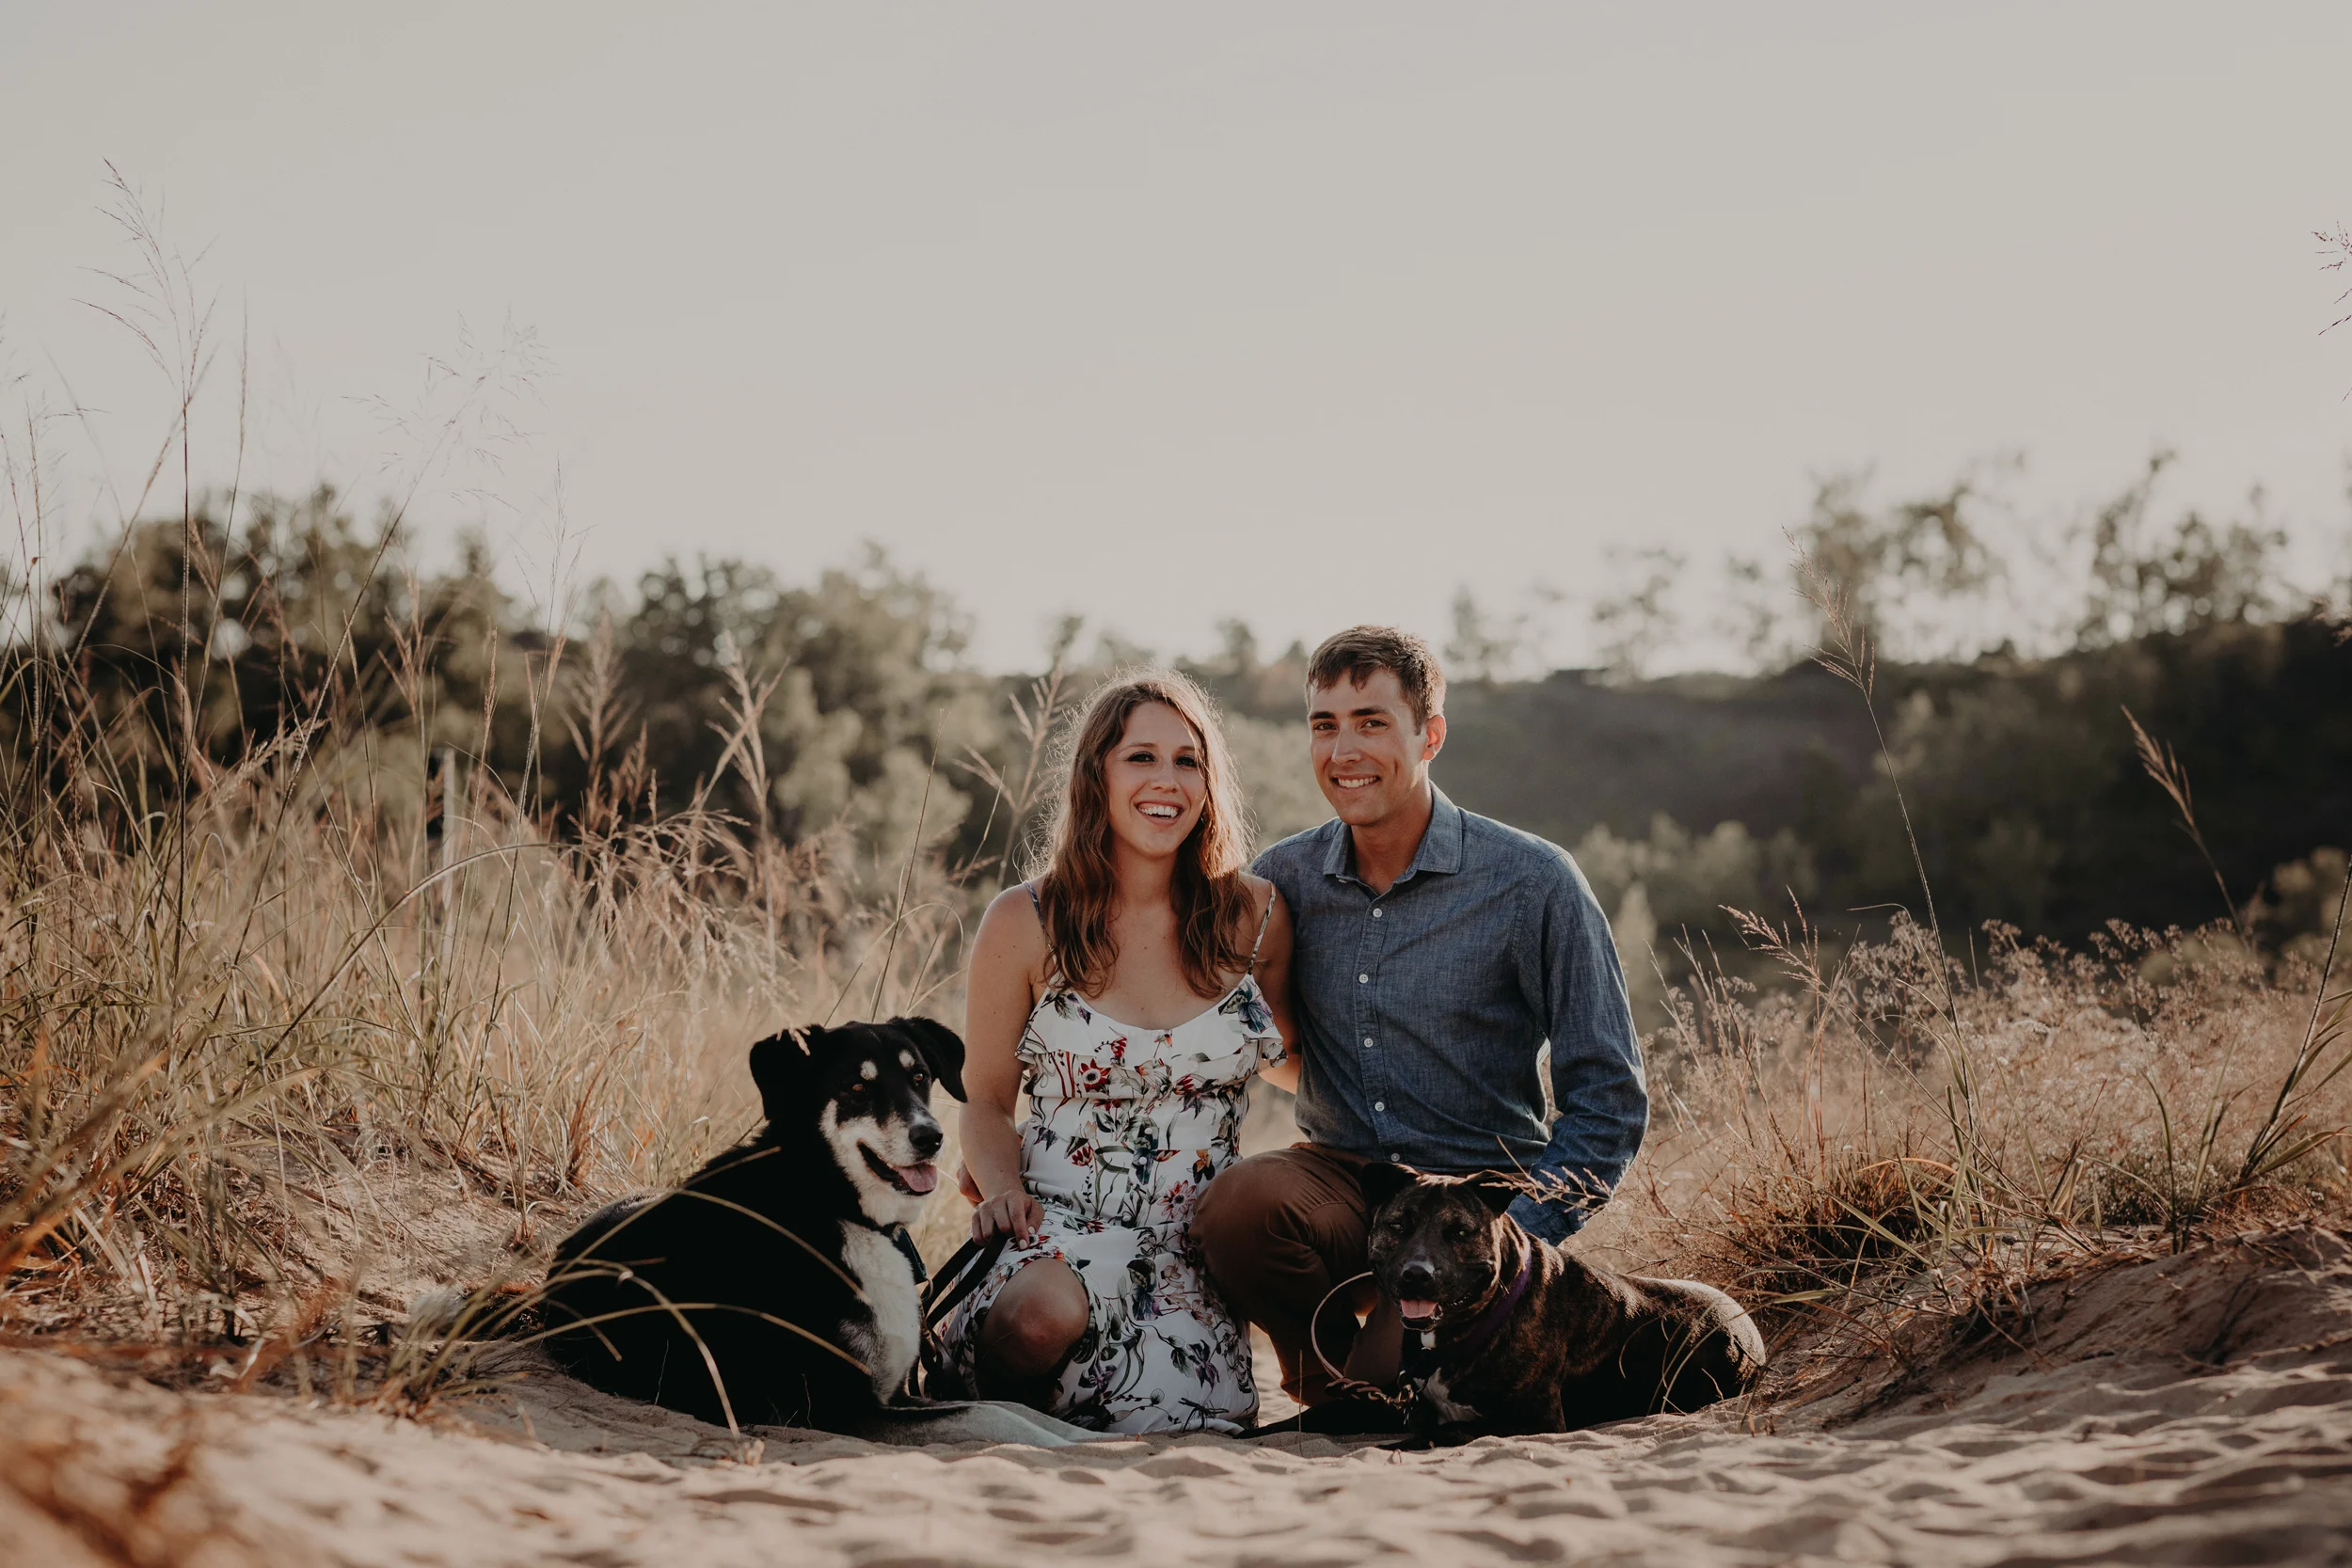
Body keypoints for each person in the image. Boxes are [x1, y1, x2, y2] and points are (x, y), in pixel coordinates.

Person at [1191, 625, 1647, 1406]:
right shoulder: (1281, 880)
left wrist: (1516, 1234)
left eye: (1372, 721)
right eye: (1324, 724)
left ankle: (1369, 1381)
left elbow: (1609, 1096)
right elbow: (1249, 1037)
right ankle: (1324, 1375)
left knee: (1392, 1392)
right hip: (1342, 1181)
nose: (1344, 750)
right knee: (1235, 1205)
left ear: (1430, 734)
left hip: (1477, 1198)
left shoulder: (1534, 883)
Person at [935, 670, 1298, 1433]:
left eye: (1188, 760)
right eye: (1141, 757)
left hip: (1189, 1253)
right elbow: (987, 1098)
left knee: (1192, 1422)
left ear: (1209, 782)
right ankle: (978, 1410)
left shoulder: (1256, 918)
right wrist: (1001, 1188)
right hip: (1053, 1228)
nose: (1166, 780)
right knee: (1038, 1317)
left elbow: (1300, 1066)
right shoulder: (1025, 918)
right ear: (1096, 771)